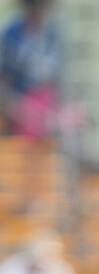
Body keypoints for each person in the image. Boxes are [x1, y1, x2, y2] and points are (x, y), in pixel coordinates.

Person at [0, 0, 63, 216]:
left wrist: (54, 106)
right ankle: (23, 199)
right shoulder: (12, 34)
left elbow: (56, 76)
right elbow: (5, 75)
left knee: (45, 146)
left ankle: (38, 197)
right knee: (26, 148)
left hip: (44, 100)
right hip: (18, 99)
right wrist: (12, 104)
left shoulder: (53, 35)